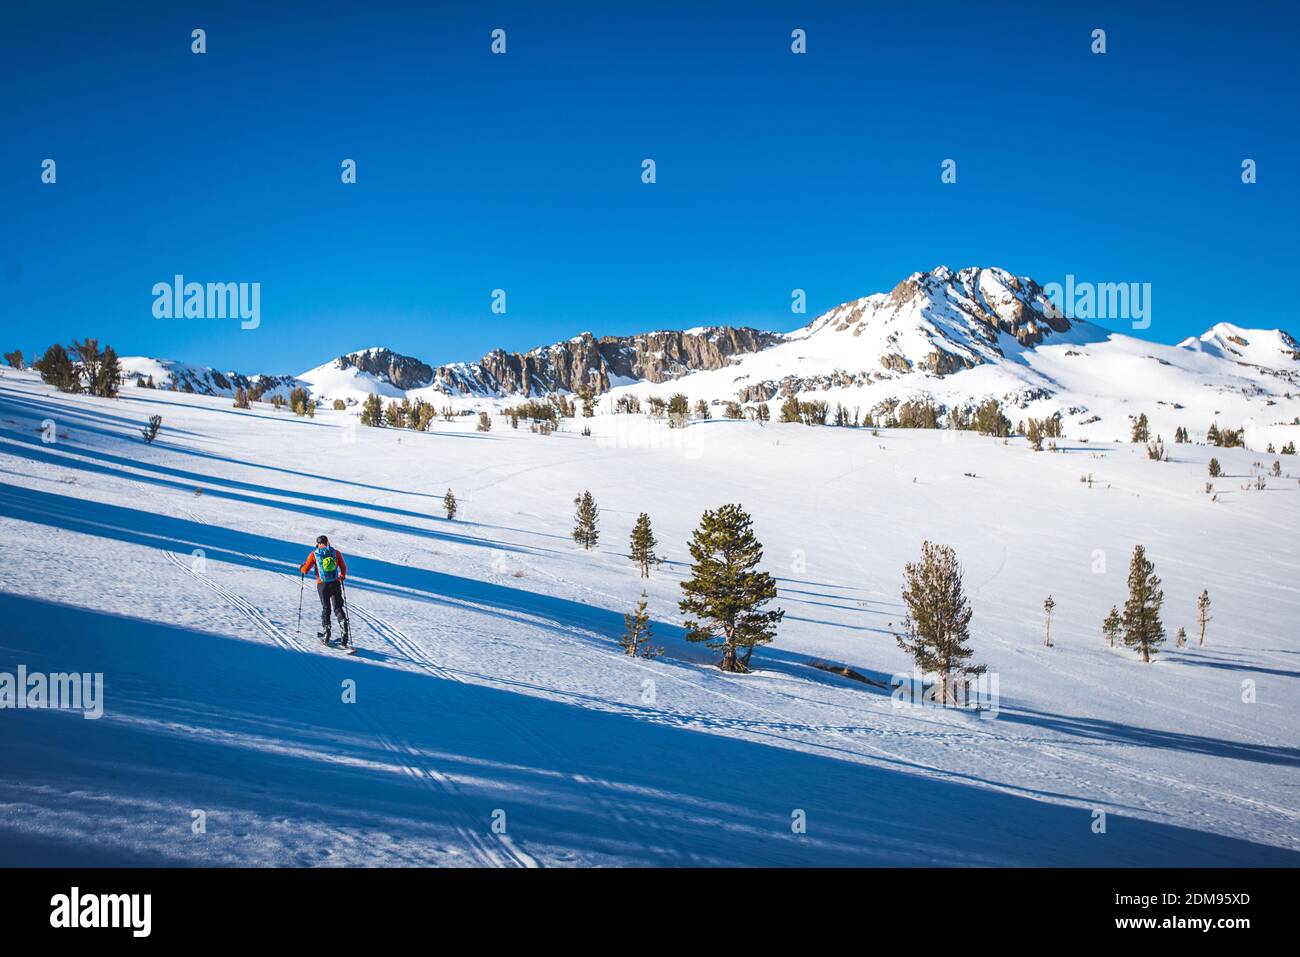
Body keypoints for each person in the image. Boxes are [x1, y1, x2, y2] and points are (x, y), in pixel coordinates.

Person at [300, 535, 350, 647]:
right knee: (338, 608)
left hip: (322, 584)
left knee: (326, 608)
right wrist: (342, 576)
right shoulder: (335, 552)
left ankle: (326, 634)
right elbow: (343, 567)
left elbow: (305, 569)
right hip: (335, 583)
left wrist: (302, 568)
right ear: (327, 542)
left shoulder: (314, 554)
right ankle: (344, 630)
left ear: (317, 543)